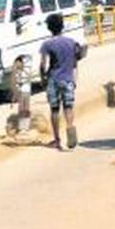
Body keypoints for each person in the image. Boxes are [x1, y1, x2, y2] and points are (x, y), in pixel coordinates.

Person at [39, 12, 85, 150]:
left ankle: (57, 140)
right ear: (62, 26)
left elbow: (43, 65)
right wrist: (75, 78)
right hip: (68, 78)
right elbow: (75, 62)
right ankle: (70, 129)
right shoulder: (71, 42)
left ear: (49, 28)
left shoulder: (47, 44)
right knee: (68, 107)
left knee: (54, 109)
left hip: (53, 79)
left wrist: (42, 78)